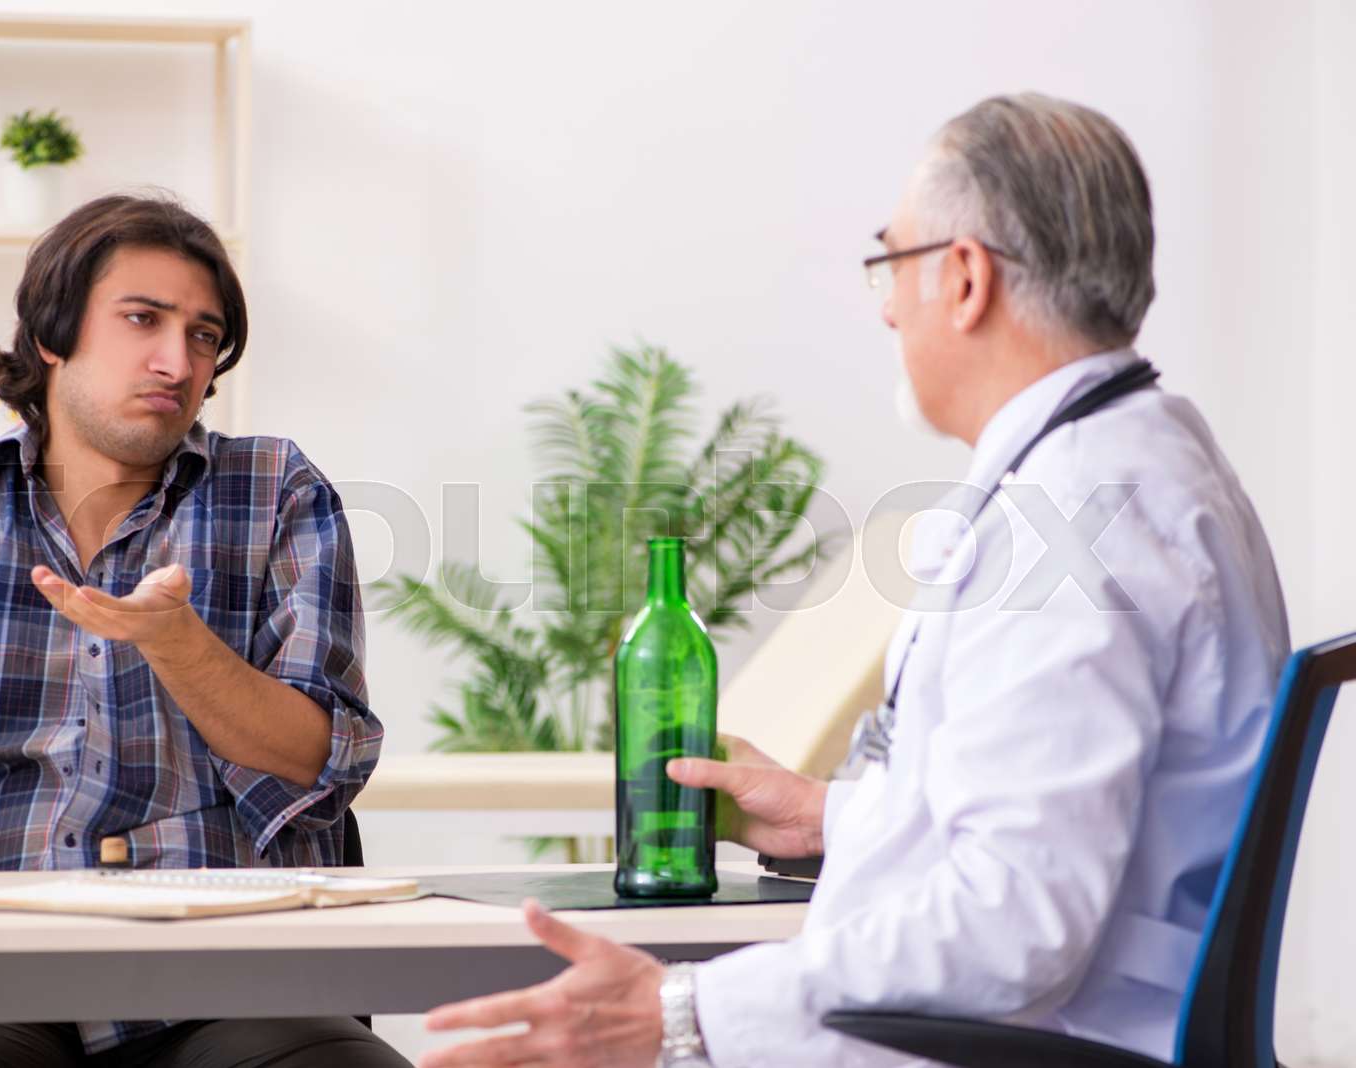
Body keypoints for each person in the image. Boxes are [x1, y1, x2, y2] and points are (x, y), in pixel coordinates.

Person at [419, 92, 1290, 1067]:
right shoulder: (1146, 463)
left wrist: (680, 1013)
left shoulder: (1073, 523)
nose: (883, 306)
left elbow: (1015, 920)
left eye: (891, 262)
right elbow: (1030, 817)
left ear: (962, 278)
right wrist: (826, 814)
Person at [0, 194, 410, 1067]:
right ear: (53, 334)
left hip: (234, 976)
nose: (177, 359)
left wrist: (177, 644)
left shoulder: (276, 488)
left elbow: (321, 765)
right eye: (142, 319)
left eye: (203, 336)